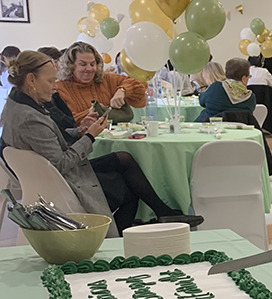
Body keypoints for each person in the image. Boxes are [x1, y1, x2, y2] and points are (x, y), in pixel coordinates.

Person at [0, 51, 201, 233]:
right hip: (60, 181)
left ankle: (161, 214)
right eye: (51, 81)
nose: (54, 87)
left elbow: (48, 139)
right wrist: (90, 136)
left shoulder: (17, 103)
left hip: (48, 173)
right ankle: (124, 234)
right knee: (128, 188)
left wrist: (79, 131)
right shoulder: (29, 117)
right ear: (31, 80)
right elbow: (61, 163)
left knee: (123, 159)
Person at [56, 42, 146, 122]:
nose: (89, 69)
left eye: (92, 64)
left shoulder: (106, 80)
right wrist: (91, 112)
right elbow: (64, 121)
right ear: (70, 66)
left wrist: (123, 90)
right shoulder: (59, 88)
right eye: (83, 64)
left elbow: (140, 82)